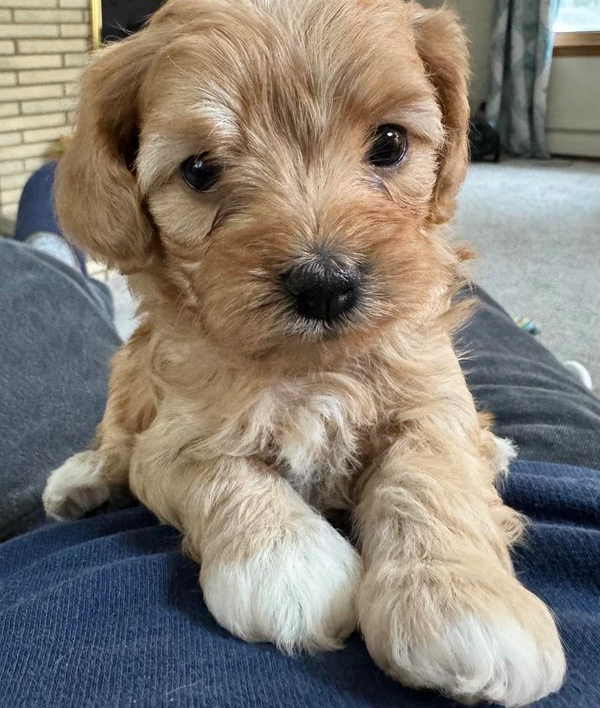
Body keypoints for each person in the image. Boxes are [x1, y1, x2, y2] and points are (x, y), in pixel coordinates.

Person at [1, 164, 599, 708]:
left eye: (385, 146)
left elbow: (428, 417)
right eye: (205, 172)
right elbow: (174, 453)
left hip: (60, 580)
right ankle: (63, 279)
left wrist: (442, 548)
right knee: (521, 378)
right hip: (571, 498)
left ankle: (48, 254)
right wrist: (246, 522)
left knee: (443, 298)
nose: (323, 260)